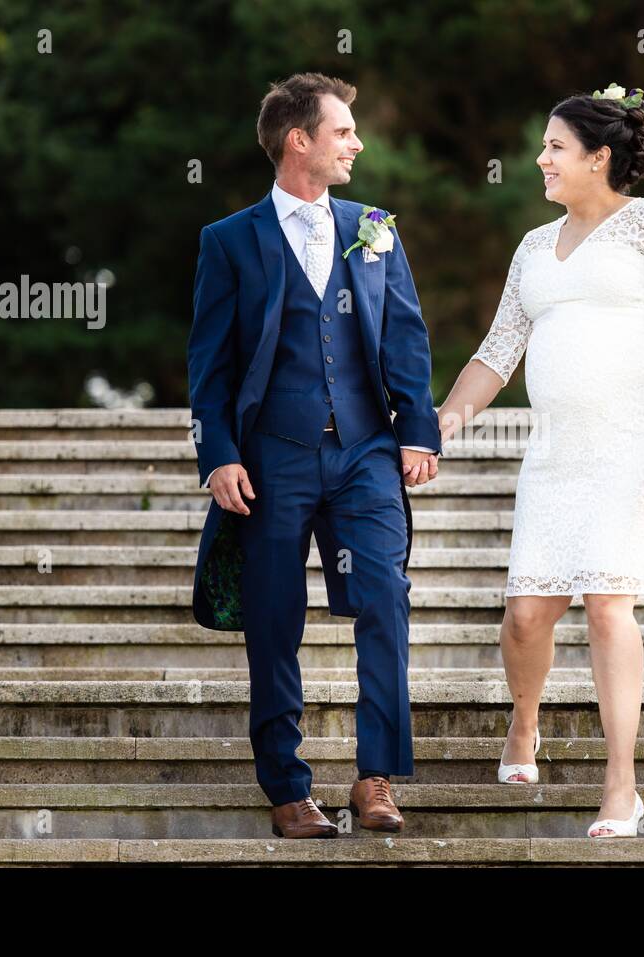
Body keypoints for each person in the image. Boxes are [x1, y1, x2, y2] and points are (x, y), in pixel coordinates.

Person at [436, 84, 644, 837]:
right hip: (555, 453)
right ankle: (525, 721)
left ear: (599, 157)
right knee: (526, 614)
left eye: (555, 147)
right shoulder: (533, 245)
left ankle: (622, 787)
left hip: (635, 444)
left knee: (606, 603)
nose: (541, 159)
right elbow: (497, 352)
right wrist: (442, 423)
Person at [187, 72, 442, 838]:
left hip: (365, 448)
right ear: (299, 141)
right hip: (272, 459)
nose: (356, 144)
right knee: (272, 616)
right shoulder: (229, 241)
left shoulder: (375, 227)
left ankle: (375, 777)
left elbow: (405, 333)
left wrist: (418, 428)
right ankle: (288, 786)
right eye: (342, 132)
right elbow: (211, 364)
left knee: (385, 599)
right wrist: (220, 453)